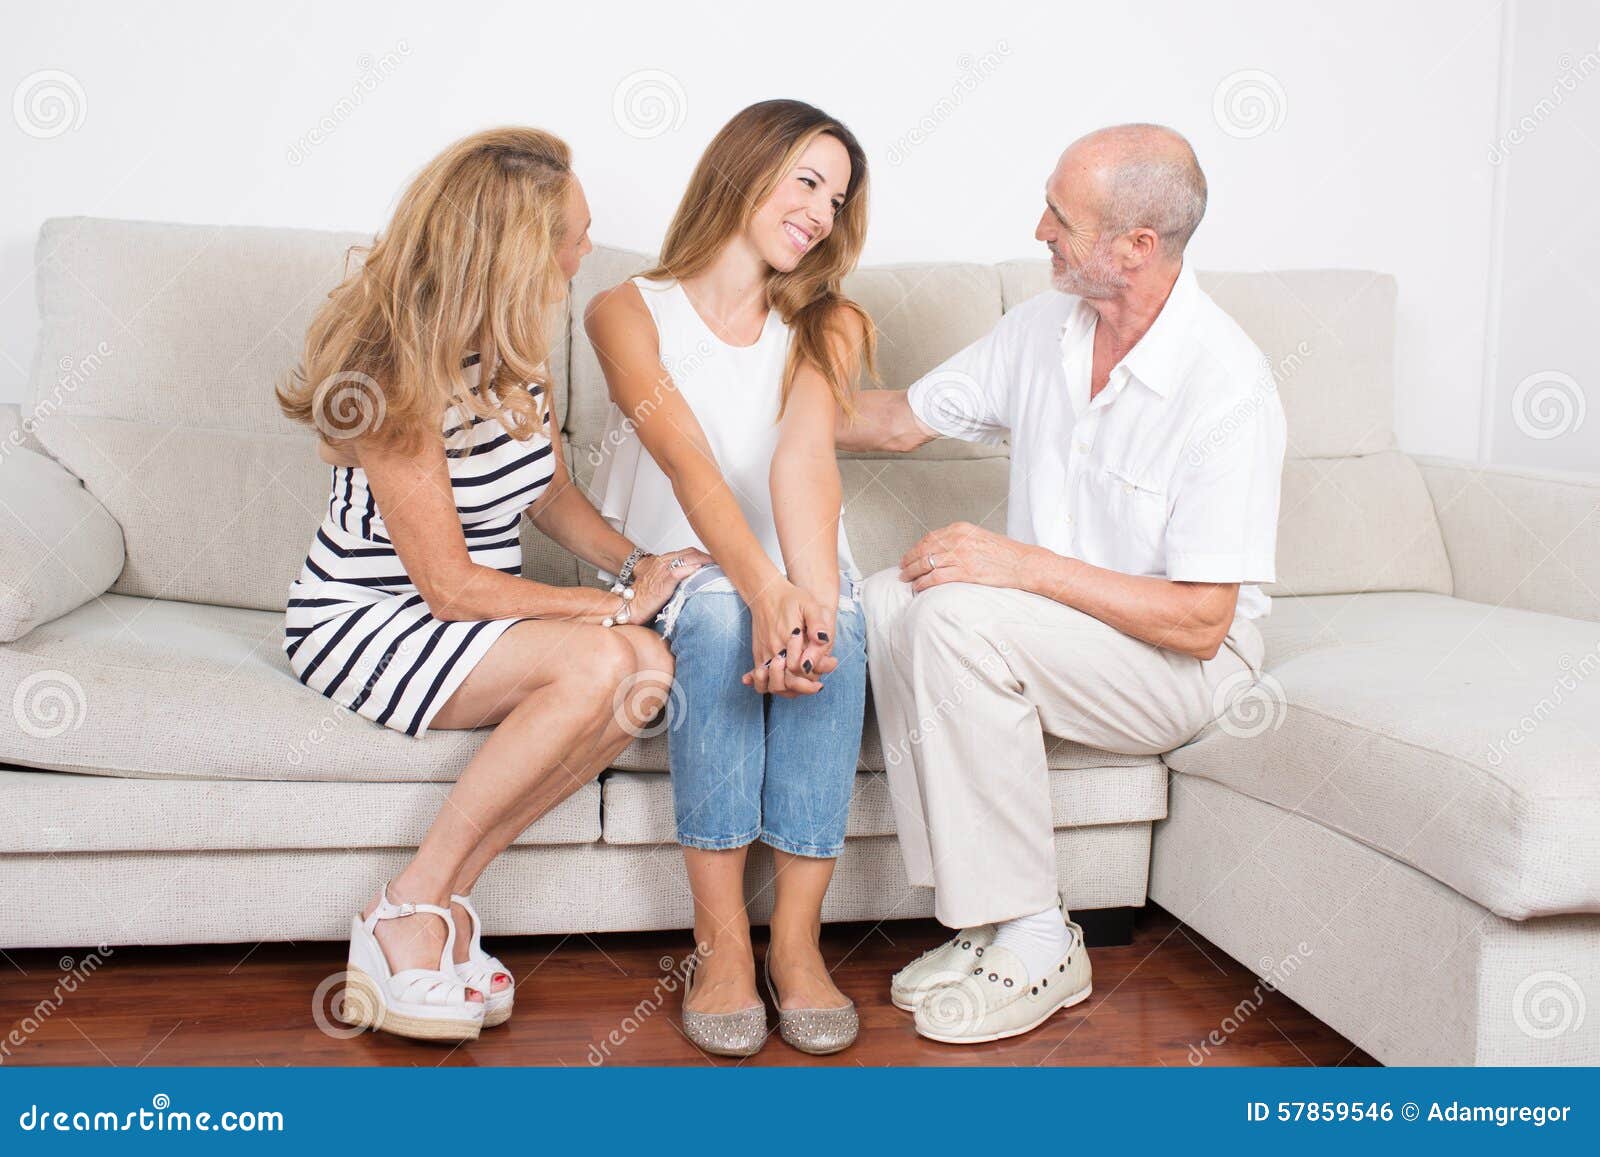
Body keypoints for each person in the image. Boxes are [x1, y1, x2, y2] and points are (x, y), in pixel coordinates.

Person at [841, 123, 1287, 1044]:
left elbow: (1204, 622)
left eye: (1061, 215)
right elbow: (895, 422)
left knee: (957, 616)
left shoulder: (1227, 387)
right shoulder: (1047, 327)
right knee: (890, 599)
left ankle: (1043, 934)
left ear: (1137, 247)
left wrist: (1021, 567)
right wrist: (721, 408)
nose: (1038, 228)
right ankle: (985, 921)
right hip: (1062, 632)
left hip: (1184, 666)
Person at [277, 127, 708, 1042]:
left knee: (644, 669)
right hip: (367, 617)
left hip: (466, 616)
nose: (587, 253)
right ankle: (405, 909)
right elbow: (447, 588)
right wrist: (602, 606)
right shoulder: (393, 369)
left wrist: (639, 566)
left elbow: (546, 491)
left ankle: (445, 902)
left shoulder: (514, 343)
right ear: (509, 253)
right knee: (603, 664)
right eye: (572, 238)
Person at [585, 99, 875, 1056]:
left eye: (837, 199)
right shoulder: (626, 310)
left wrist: (810, 605)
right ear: (744, 167)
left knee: (848, 622)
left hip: (787, 563)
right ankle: (721, 947)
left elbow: (803, 463)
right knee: (714, 617)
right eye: (806, 180)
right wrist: (761, 593)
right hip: (687, 576)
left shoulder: (830, 322)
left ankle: (795, 943)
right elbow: (689, 462)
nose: (821, 212)